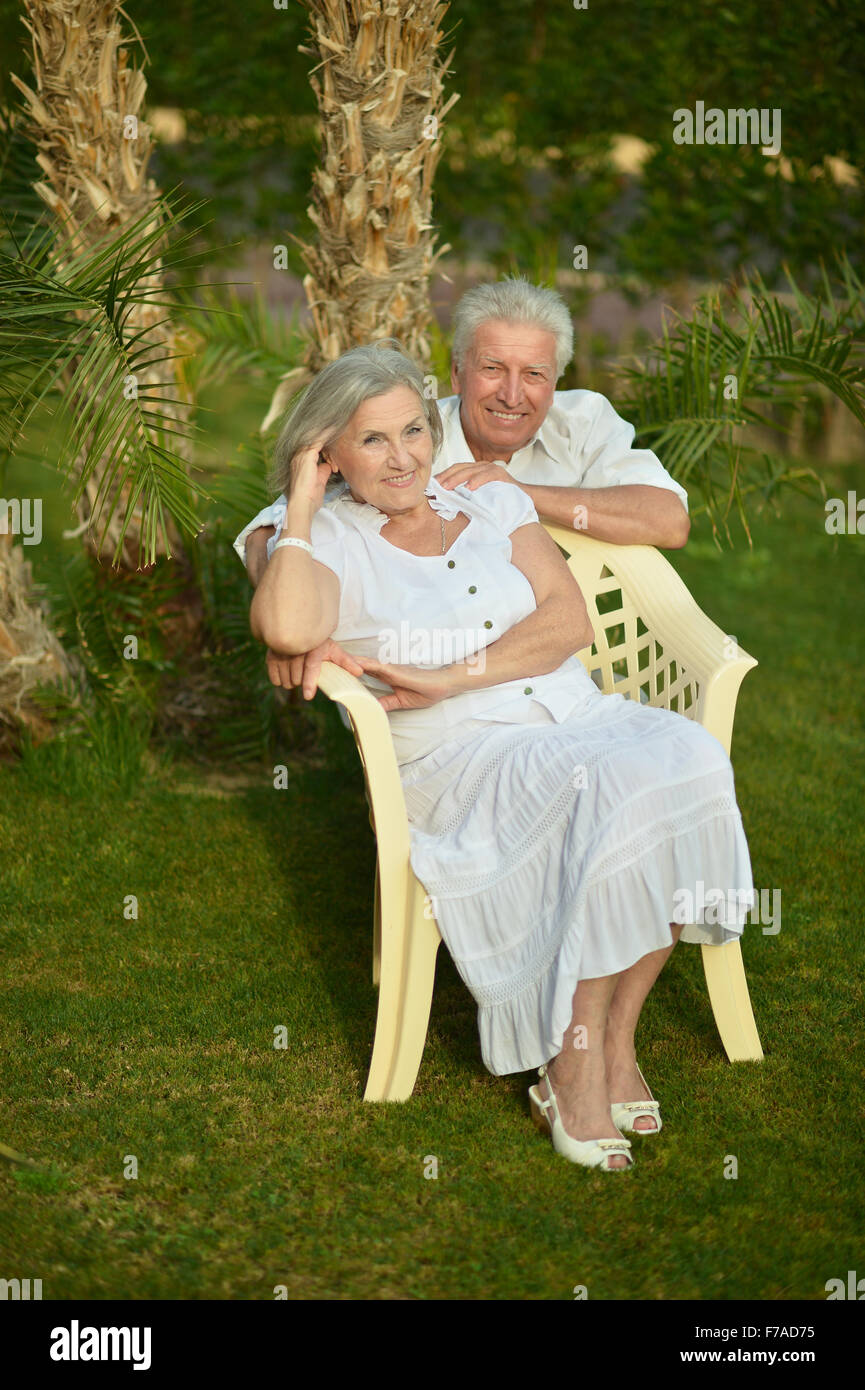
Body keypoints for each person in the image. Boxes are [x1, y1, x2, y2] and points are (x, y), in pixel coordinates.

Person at [246, 340, 754, 1173]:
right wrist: (299, 507)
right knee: (621, 789)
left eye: (414, 430)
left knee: (688, 758)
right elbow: (293, 629)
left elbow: (566, 622)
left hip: (566, 712)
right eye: (370, 441)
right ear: (327, 452)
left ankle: (609, 1039)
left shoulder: (484, 502)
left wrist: (450, 674)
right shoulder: (326, 537)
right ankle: (573, 1067)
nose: (403, 456)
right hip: (461, 758)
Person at [234, 277, 690, 701]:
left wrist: (519, 492)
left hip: (562, 665)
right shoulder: (409, 436)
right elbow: (267, 532)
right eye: (492, 368)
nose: (512, 395)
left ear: (555, 384)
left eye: (534, 374)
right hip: (446, 685)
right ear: (456, 374)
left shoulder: (585, 422)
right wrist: (302, 632)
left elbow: (669, 521)